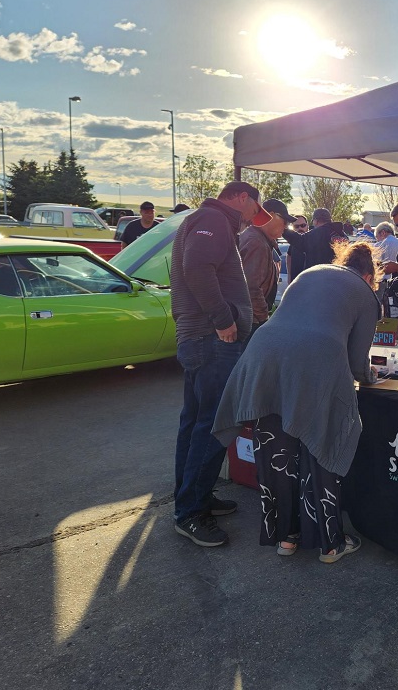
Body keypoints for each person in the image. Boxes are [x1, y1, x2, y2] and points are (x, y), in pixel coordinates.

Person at [212, 242, 381, 562]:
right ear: (370, 275)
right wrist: (374, 377)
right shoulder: (364, 292)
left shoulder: (311, 272)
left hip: (264, 355)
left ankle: (285, 538)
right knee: (321, 447)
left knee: (276, 454)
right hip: (314, 362)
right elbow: (358, 363)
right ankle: (331, 544)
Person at [170, 180, 272, 547]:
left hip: (205, 339)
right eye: (253, 210)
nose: (251, 220)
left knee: (196, 423)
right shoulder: (213, 218)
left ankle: (194, 498)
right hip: (212, 340)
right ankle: (191, 511)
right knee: (213, 426)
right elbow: (196, 267)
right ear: (242, 197)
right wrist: (224, 320)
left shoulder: (208, 220)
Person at [239, 211, 285, 336]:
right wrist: (263, 317)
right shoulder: (256, 242)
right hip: (251, 319)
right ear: (270, 218)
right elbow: (251, 286)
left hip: (249, 316)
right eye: (284, 222)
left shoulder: (257, 238)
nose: (285, 227)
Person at [287, 208, 346, 279]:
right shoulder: (342, 235)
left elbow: (299, 241)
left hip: (318, 280)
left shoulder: (315, 235)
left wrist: (283, 229)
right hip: (339, 278)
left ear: (316, 221)